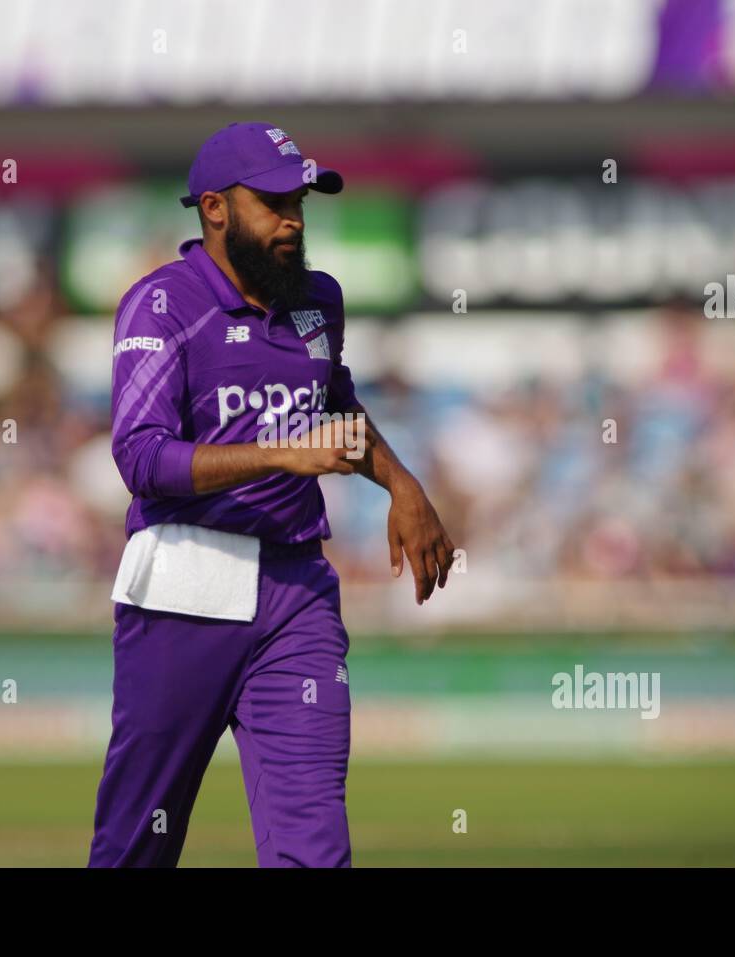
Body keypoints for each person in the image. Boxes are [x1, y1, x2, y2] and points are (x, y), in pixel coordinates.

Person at [87, 122, 454, 867]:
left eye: (301, 202)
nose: (293, 219)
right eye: (274, 202)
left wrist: (401, 482)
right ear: (215, 208)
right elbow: (142, 457)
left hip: (297, 592)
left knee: (313, 845)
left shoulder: (319, 301)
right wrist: (283, 454)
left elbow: (337, 406)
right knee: (136, 845)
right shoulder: (161, 305)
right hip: (183, 586)